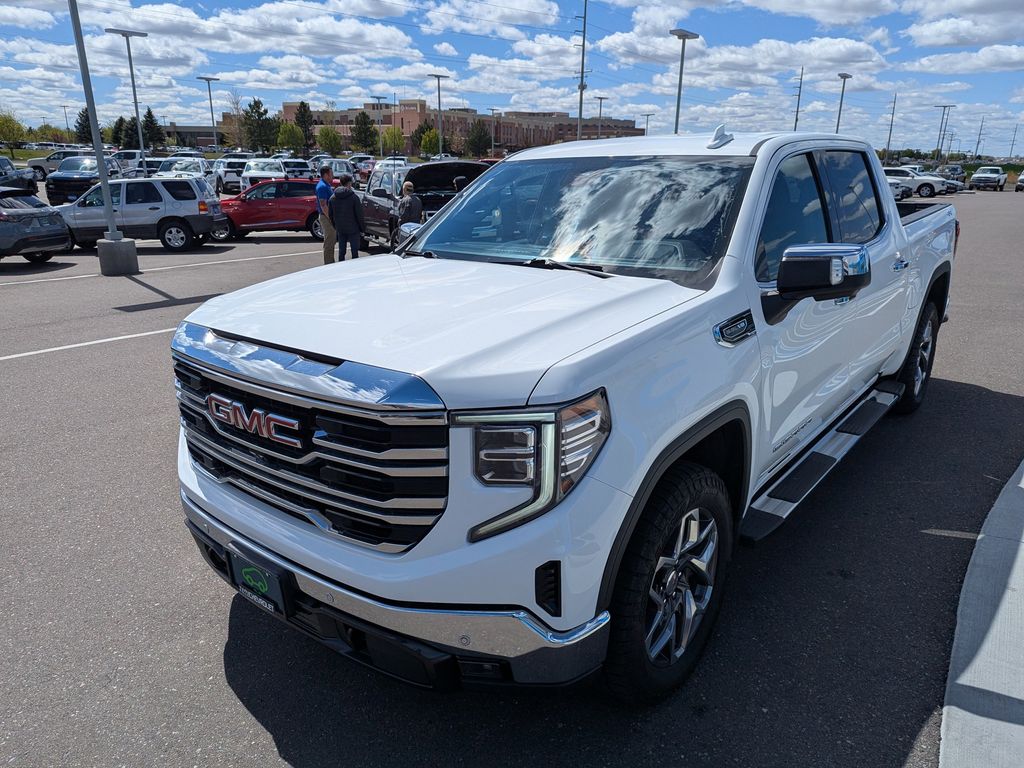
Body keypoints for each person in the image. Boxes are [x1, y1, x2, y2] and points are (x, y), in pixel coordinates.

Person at [328, 173, 364, 261]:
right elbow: (359, 215)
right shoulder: (354, 197)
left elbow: (330, 215)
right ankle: (354, 270)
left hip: (340, 228)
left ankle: (341, 268)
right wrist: (362, 228)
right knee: (354, 251)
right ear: (349, 183)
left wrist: (335, 225)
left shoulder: (333, 198)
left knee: (341, 251)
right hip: (353, 228)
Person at [316, 165, 336, 264]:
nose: (332, 175)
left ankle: (330, 262)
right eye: (331, 173)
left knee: (332, 240)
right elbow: (323, 205)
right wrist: (331, 218)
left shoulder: (326, 185)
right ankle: (328, 264)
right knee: (329, 242)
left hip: (328, 216)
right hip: (326, 217)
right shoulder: (322, 187)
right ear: (326, 175)